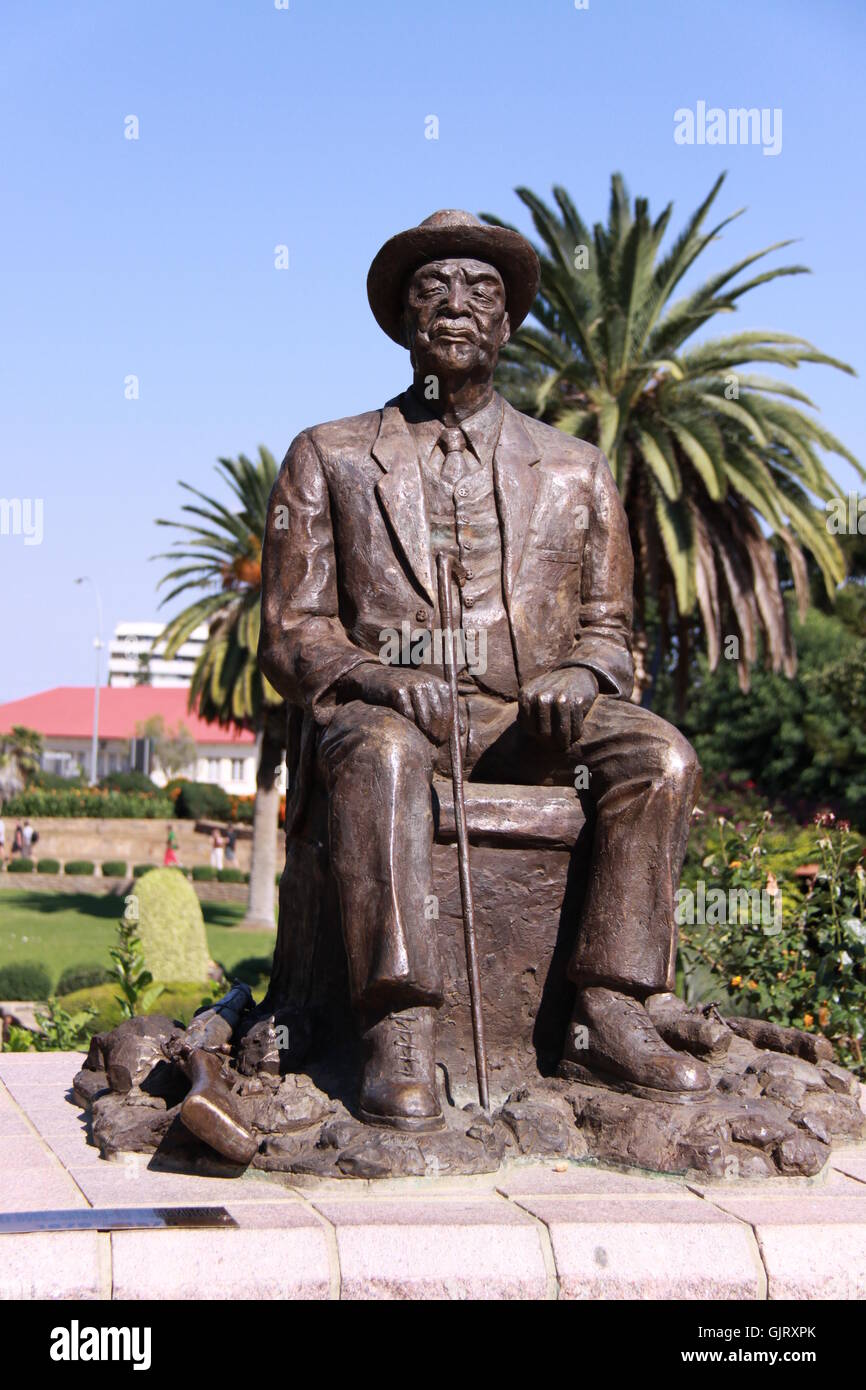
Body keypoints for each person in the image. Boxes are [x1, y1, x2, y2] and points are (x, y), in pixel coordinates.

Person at [260, 209, 707, 1133]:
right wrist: (379, 678)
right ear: (401, 320)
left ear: (507, 326)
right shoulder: (331, 455)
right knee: (382, 754)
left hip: (530, 722)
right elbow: (292, 631)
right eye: (432, 289)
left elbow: (611, 630)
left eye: (481, 292)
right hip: (388, 718)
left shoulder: (578, 470)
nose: (456, 306)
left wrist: (583, 674)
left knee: (657, 759)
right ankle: (399, 1022)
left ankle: (611, 1003)